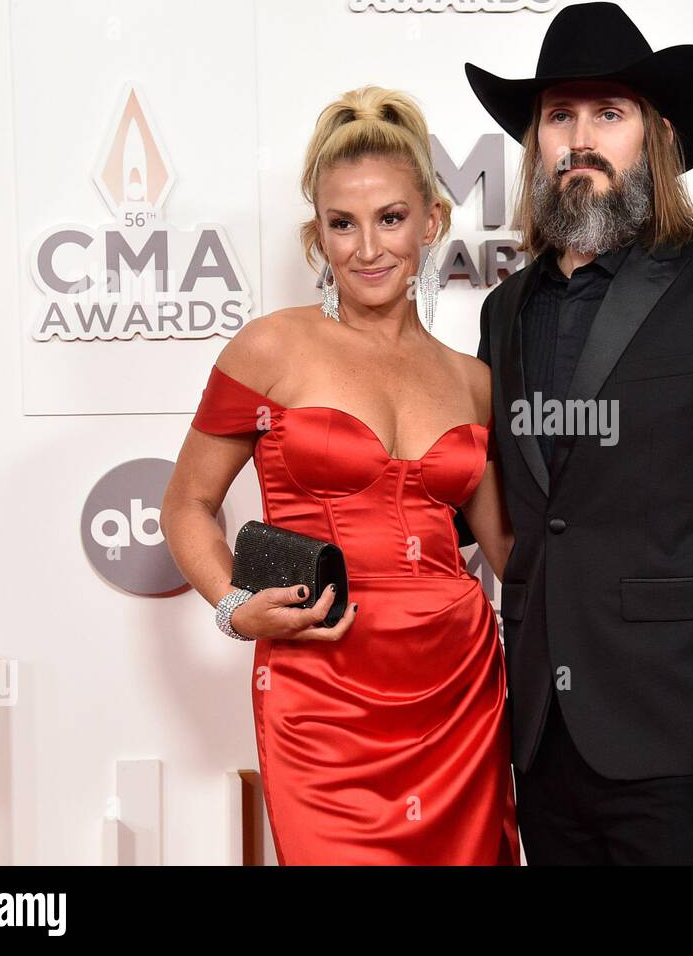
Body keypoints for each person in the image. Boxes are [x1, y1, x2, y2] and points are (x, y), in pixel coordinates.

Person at [461, 1, 693, 864]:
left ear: (654, 138)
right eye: (559, 117)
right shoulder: (504, 311)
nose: (579, 139)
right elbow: (501, 503)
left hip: (685, 739)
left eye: (607, 114)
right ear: (535, 145)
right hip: (543, 741)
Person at [161, 86, 519, 865]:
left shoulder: (473, 380)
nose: (367, 248)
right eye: (341, 224)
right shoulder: (270, 350)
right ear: (316, 236)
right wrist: (232, 607)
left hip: (458, 686)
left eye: (391, 219)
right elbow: (187, 505)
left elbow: (511, 553)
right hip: (320, 688)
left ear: (432, 220)